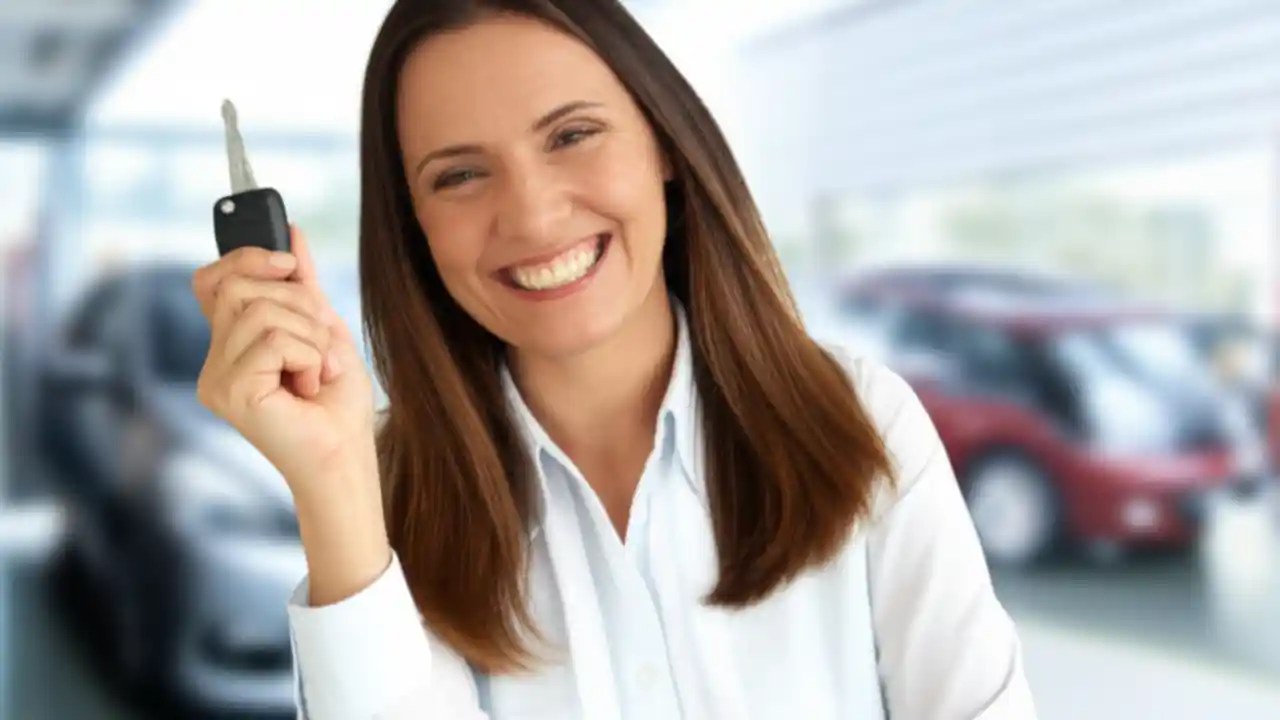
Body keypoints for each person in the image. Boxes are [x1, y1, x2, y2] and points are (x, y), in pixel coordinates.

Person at [190, 1, 1038, 718]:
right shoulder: (386, 503)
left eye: (572, 135)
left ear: (662, 142)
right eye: (458, 177)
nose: (531, 215)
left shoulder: (861, 422)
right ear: (413, 225)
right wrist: (336, 479)